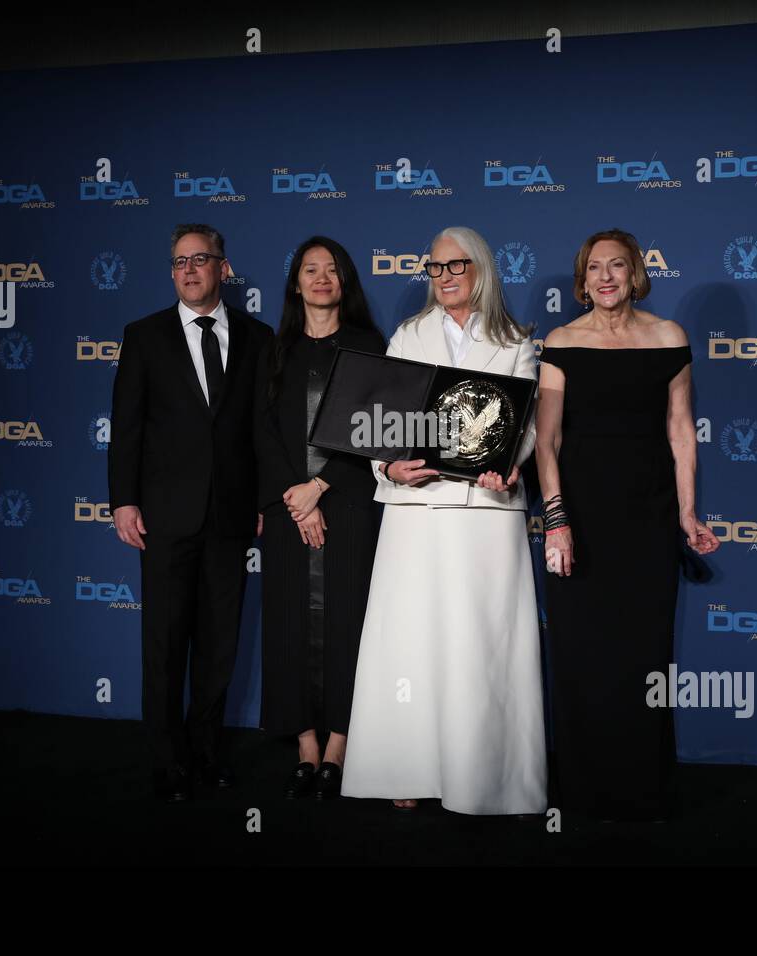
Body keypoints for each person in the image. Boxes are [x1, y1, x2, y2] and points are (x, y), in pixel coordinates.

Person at [340, 225, 547, 815]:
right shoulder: (408, 334)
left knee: (483, 643)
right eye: (435, 268)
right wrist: (388, 467)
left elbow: (526, 426)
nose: (446, 277)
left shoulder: (516, 340)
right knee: (410, 642)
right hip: (416, 512)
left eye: (457, 266)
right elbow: (382, 419)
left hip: (486, 509)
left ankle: (488, 778)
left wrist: (509, 465)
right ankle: (407, 767)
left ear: (481, 269)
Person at [535, 228, 719, 823]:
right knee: (582, 655)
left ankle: (645, 791)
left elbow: (680, 429)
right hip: (581, 518)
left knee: (644, 656)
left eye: (617, 266)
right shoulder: (561, 341)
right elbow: (548, 439)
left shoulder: (669, 338)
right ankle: (585, 792)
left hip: (648, 519)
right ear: (582, 278)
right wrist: (556, 520)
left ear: (636, 273)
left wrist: (688, 512)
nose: (606, 277)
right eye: (595, 268)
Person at [108, 223, 274, 802]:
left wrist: (261, 501)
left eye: (200, 260)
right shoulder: (145, 335)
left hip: (230, 516)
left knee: (218, 643)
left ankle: (205, 754)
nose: (188, 270)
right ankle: (167, 759)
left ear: (223, 268)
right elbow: (126, 428)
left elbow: (262, 430)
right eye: (179, 262)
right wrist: (123, 501)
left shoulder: (258, 337)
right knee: (165, 641)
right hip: (164, 516)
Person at [253, 236, 386, 800]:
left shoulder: (367, 346)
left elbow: (377, 426)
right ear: (296, 282)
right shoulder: (272, 349)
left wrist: (320, 487)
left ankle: (339, 744)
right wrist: (294, 495)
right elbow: (259, 432)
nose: (321, 278)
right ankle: (305, 744)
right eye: (310, 269)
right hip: (286, 511)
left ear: (344, 281)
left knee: (348, 623)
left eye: (331, 270)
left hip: (348, 503)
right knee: (287, 624)